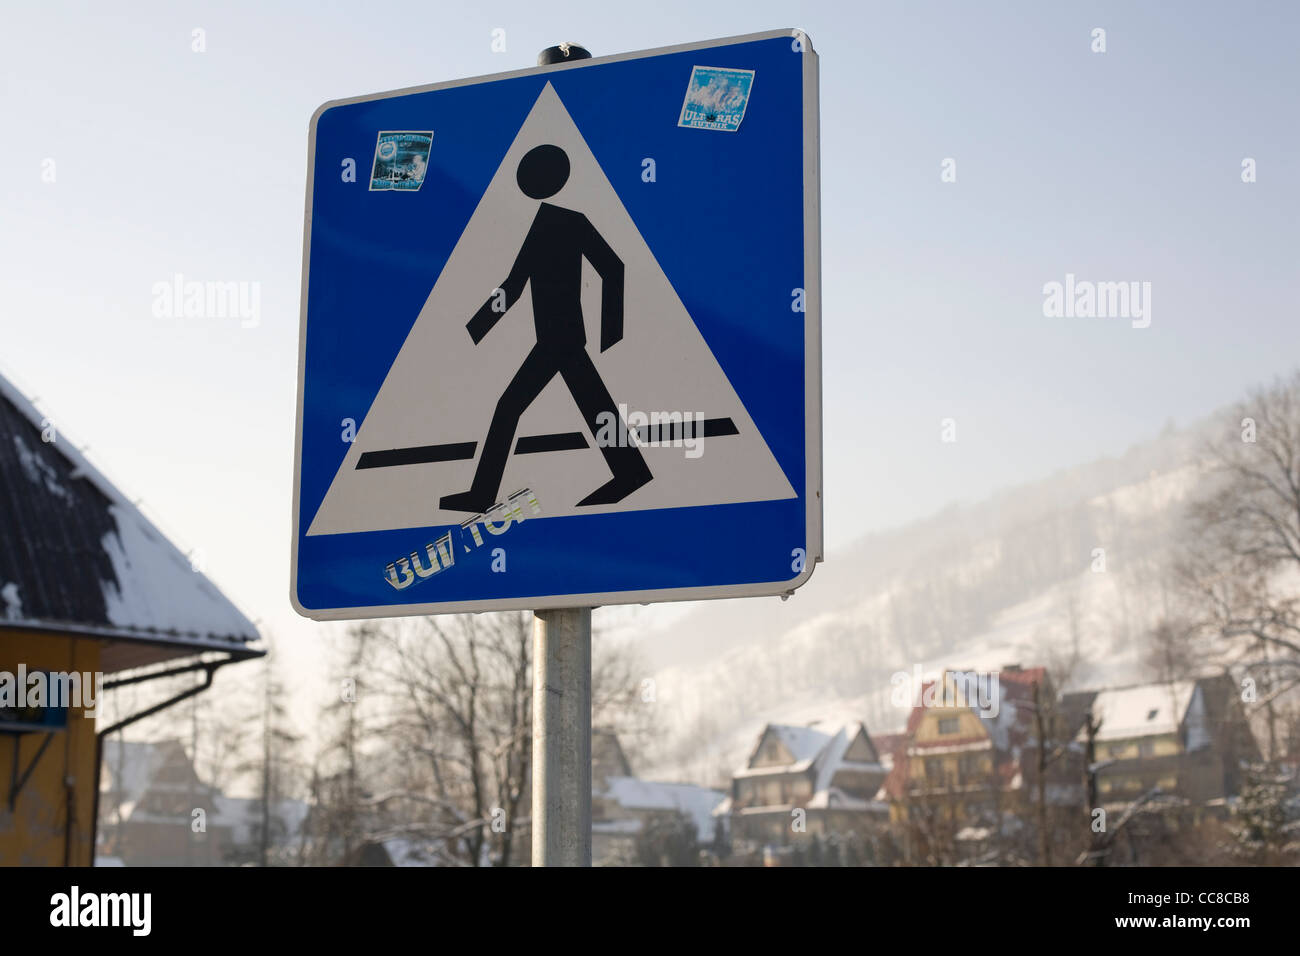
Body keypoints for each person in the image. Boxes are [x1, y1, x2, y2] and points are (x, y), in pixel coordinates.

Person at [439, 144, 652, 514]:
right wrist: (474, 330)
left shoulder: (566, 220)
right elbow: (514, 286)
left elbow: (612, 267)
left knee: (511, 406)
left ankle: (482, 493)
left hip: (562, 336)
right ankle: (631, 470)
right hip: (556, 337)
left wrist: (612, 333)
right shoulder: (543, 223)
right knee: (590, 404)